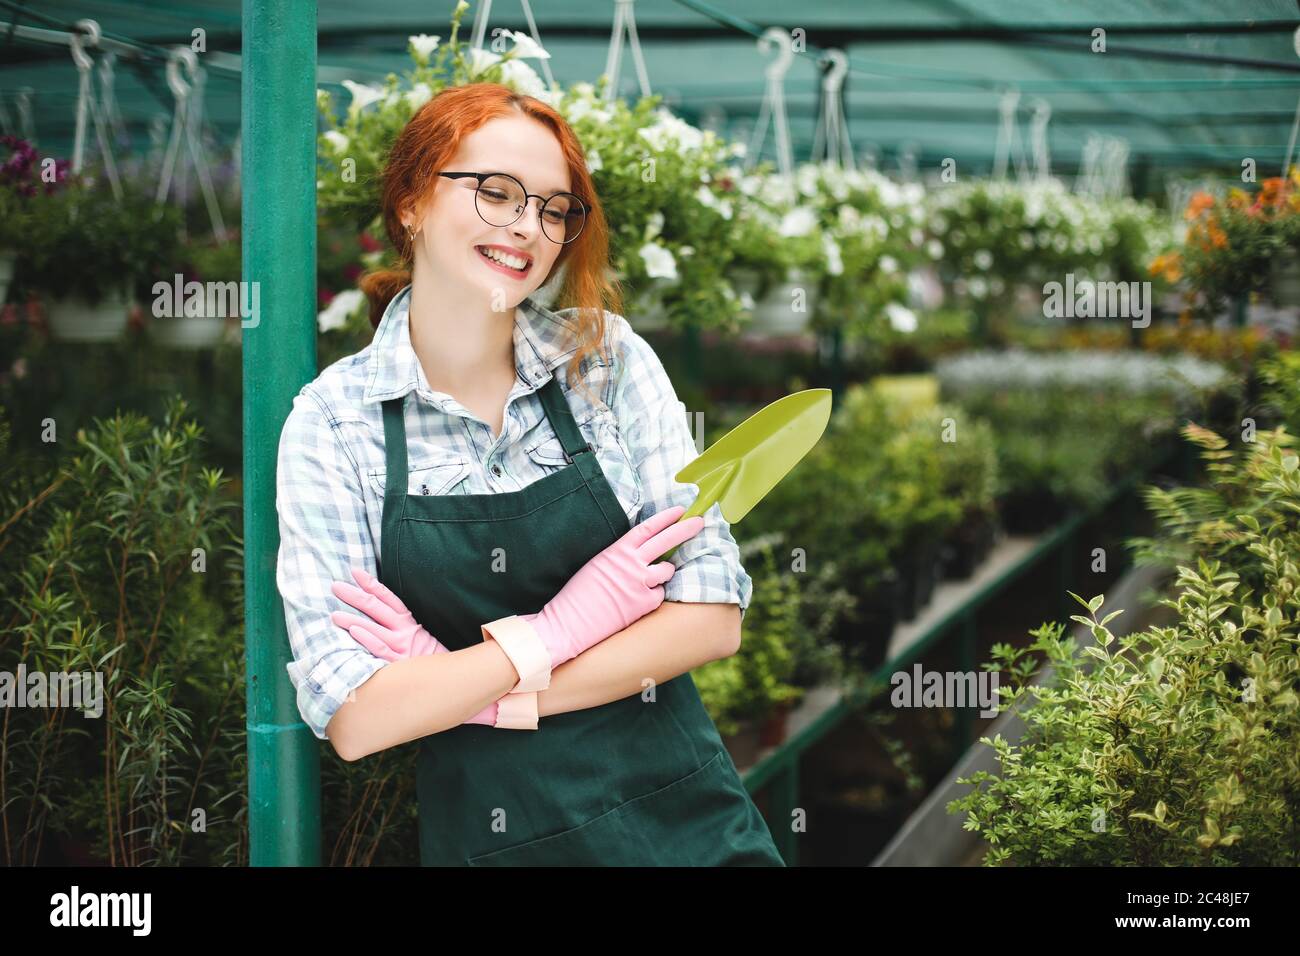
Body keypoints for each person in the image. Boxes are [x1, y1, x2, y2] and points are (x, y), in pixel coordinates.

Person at [276, 82, 784, 866]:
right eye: (497, 193)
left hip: (681, 821)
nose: (528, 229)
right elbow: (356, 716)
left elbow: (710, 613)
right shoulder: (337, 424)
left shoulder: (604, 361)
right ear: (411, 200)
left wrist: (465, 691)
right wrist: (557, 630)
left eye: (553, 209)